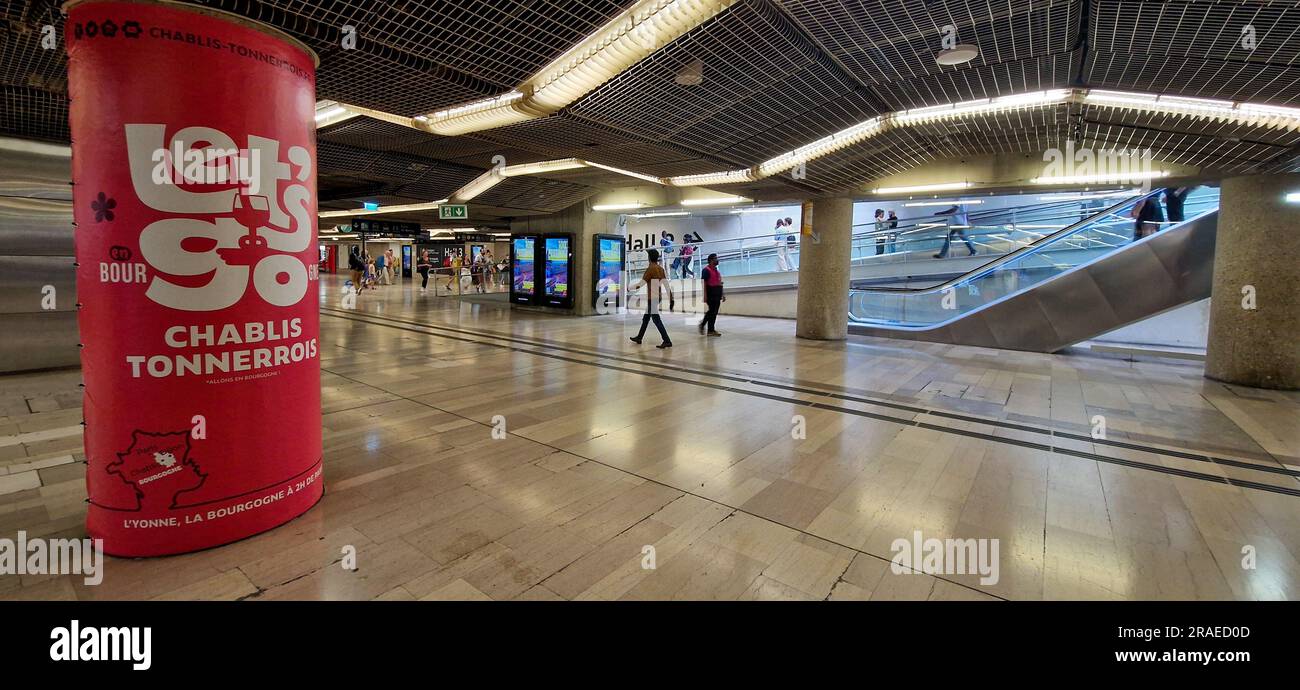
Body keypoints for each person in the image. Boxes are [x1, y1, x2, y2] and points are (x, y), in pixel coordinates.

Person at [629, 248, 674, 349]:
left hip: (652, 298)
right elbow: (666, 285)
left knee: (656, 320)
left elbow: (641, 283)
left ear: (649, 258)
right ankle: (639, 337)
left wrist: (630, 288)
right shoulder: (660, 269)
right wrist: (671, 299)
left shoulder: (650, 269)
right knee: (646, 318)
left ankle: (667, 340)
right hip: (658, 297)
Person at [698, 252, 725, 337]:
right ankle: (704, 325)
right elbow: (704, 283)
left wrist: (722, 294)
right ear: (711, 260)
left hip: (717, 293)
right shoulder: (706, 270)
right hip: (711, 293)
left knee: (714, 312)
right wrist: (705, 295)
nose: (717, 260)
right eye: (715, 258)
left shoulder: (716, 271)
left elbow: (720, 283)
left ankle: (710, 330)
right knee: (712, 311)